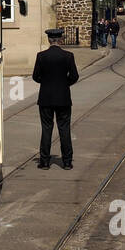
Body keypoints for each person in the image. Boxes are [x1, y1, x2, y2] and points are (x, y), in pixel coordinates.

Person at [33, 28, 79, 169]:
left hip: (46, 98)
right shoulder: (68, 56)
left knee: (46, 129)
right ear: (60, 39)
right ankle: (66, 162)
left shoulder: (41, 56)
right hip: (63, 97)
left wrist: (46, 83)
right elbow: (74, 76)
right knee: (64, 129)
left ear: (49, 40)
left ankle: (45, 161)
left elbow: (36, 76)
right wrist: (64, 84)